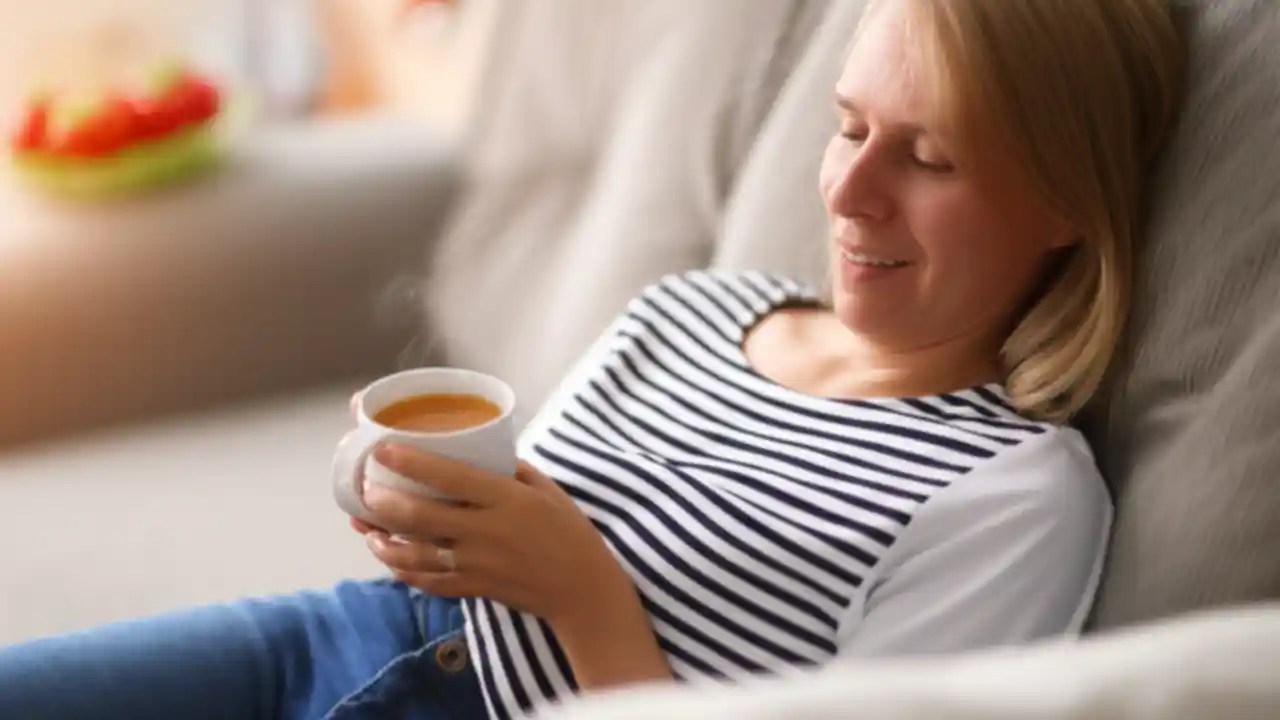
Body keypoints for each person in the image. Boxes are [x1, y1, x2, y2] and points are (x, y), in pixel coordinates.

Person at [0, 1, 1186, 719]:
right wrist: (407, 503)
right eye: (846, 126)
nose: (848, 192)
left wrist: (581, 594)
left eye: (927, 157)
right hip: (338, 637)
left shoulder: (1011, 491)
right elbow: (503, 515)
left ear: (1062, 204)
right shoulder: (692, 309)